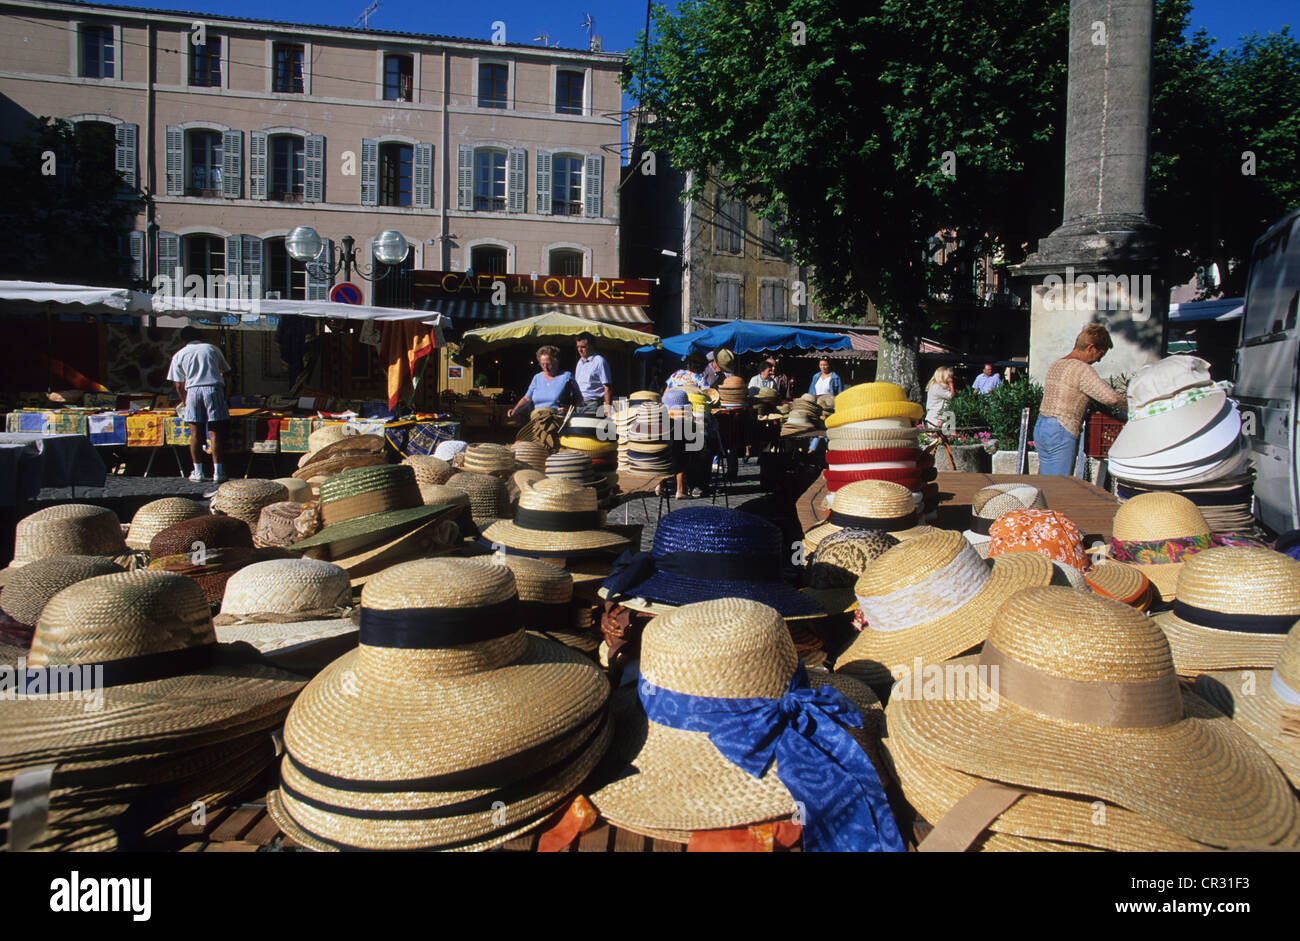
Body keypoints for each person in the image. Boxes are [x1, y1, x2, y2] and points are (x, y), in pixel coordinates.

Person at [1035, 324, 1124, 476]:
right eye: (1100, 354)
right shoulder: (1081, 369)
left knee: (1046, 483)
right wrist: (1134, 405)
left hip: (1042, 426)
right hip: (1062, 427)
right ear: (1091, 348)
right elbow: (1112, 398)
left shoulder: (1056, 364)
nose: (1099, 360)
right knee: (1060, 486)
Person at [168, 326, 233, 483]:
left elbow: (178, 385)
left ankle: (198, 471)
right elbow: (227, 372)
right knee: (214, 432)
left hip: (193, 391)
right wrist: (226, 391)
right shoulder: (211, 349)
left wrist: (184, 401)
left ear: (183, 339)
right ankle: (218, 472)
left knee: (195, 433)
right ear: (201, 336)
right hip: (213, 388)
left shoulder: (179, 355)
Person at [507, 345, 582, 419]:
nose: (545, 367)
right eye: (542, 364)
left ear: (556, 362)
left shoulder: (566, 376)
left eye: (548, 364)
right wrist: (515, 410)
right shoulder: (537, 378)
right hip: (537, 418)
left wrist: (570, 410)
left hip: (557, 419)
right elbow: (527, 399)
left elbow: (579, 398)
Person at [574, 332, 613, 412]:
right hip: (579, 404)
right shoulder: (580, 362)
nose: (580, 350)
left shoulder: (599, 361)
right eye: (578, 347)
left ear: (592, 346)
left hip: (594, 405)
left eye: (583, 347)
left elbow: (607, 387)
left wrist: (607, 409)